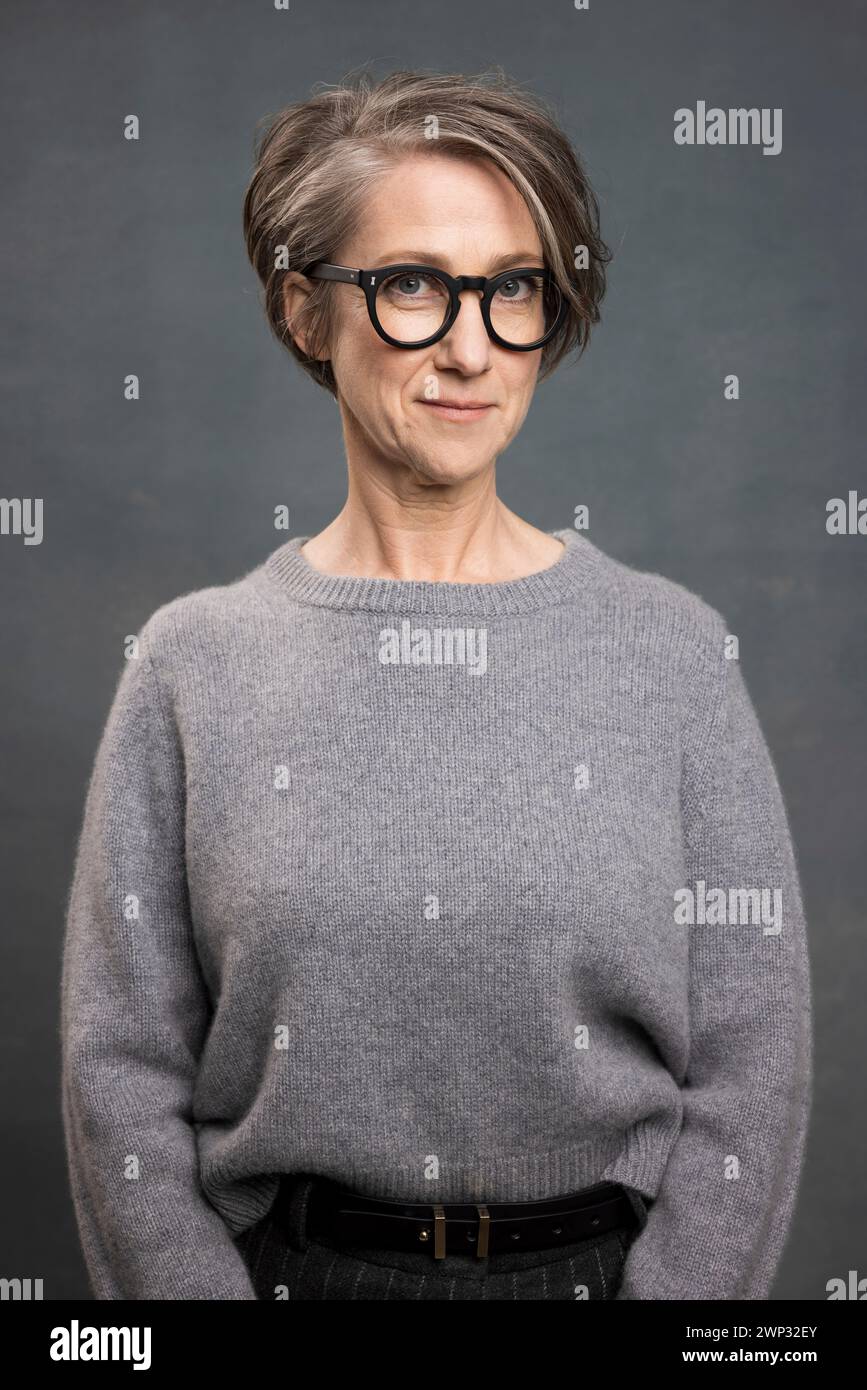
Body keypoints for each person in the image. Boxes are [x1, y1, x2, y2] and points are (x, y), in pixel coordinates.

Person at [60, 68, 812, 1301]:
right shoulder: (192, 664)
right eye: (412, 284)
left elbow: (753, 1058)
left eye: (513, 288)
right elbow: (121, 1071)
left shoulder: (670, 651)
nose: (471, 345)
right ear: (308, 312)